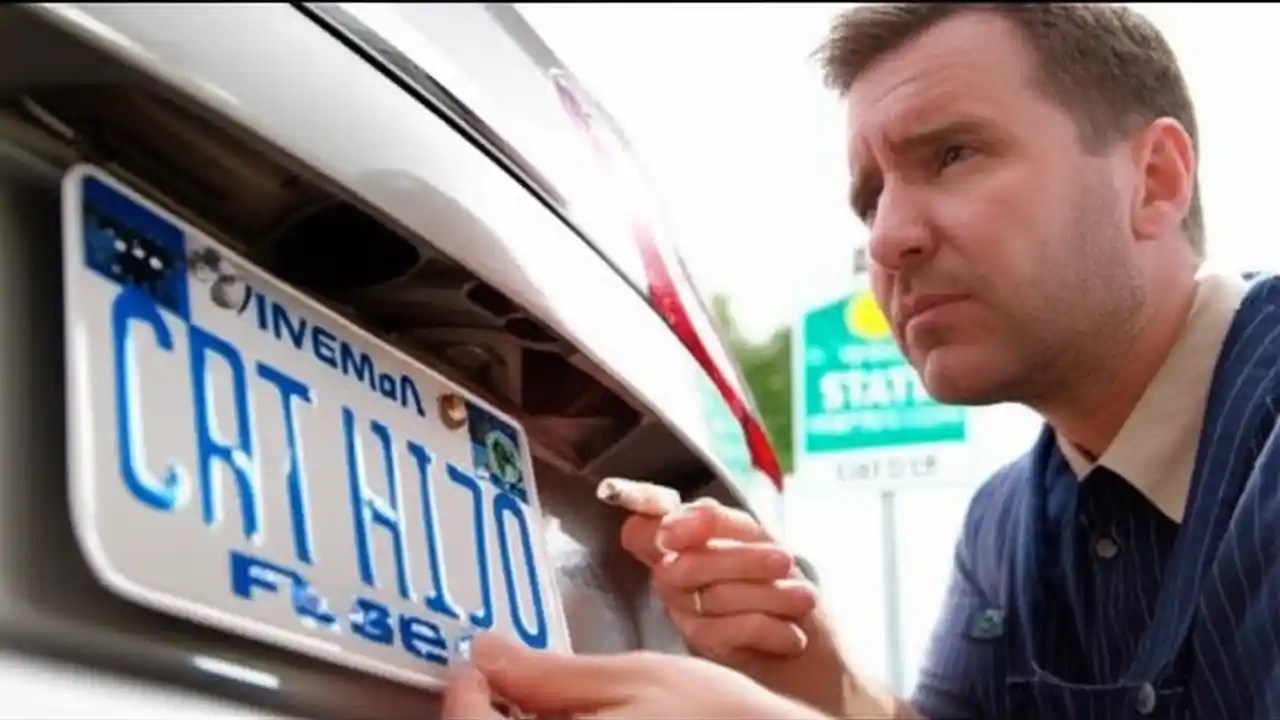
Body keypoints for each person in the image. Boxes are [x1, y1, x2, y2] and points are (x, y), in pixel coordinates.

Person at [444, 3, 1280, 718]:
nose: (886, 240)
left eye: (953, 155)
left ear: (1155, 180)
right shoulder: (1004, 522)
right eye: (871, 199)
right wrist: (818, 673)